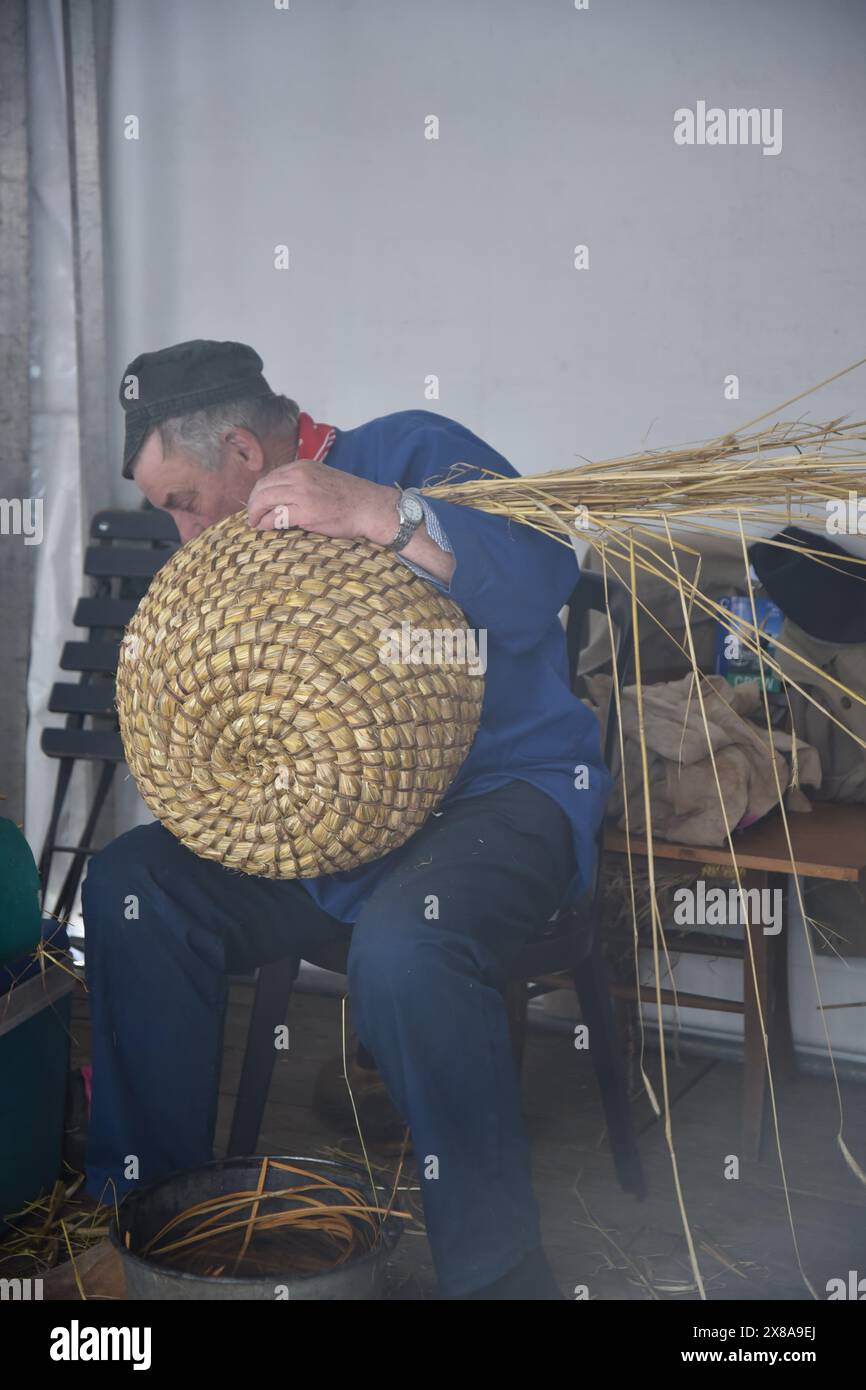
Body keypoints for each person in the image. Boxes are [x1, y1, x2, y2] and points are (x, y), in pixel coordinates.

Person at [82, 338, 610, 1299]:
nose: (185, 536)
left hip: (496, 810)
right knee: (130, 886)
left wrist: (379, 513)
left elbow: (544, 574)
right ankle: (152, 1223)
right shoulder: (230, 560)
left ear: (246, 454)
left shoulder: (409, 448)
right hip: (323, 851)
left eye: (184, 505)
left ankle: (500, 1278)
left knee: (410, 946)